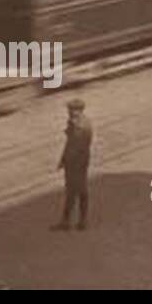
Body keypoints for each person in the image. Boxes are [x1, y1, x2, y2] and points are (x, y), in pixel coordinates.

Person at [52, 99, 92, 231]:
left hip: (78, 163)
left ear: (79, 110)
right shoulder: (74, 123)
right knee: (75, 191)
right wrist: (63, 160)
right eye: (69, 109)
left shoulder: (82, 126)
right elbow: (68, 144)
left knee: (78, 191)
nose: (68, 112)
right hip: (73, 162)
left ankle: (77, 221)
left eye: (71, 109)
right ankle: (71, 221)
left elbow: (78, 147)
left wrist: (69, 162)